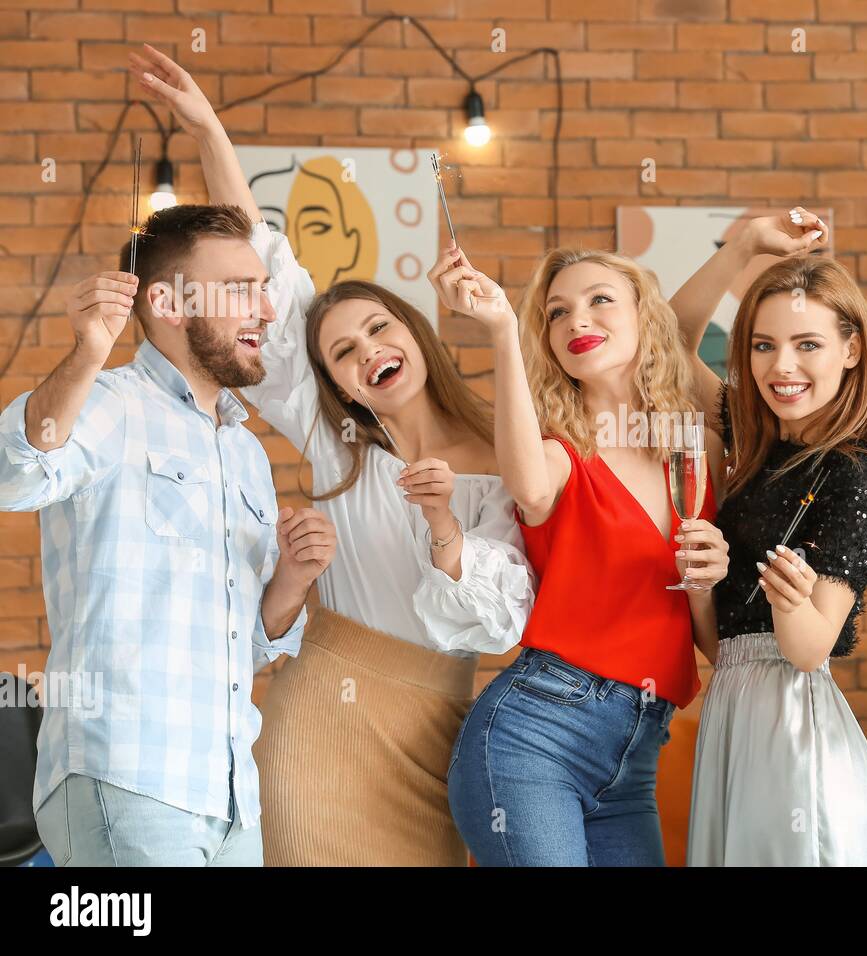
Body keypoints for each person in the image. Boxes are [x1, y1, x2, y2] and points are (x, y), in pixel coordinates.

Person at [131, 43, 534, 866]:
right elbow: (265, 269)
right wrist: (210, 131)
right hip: (323, 717)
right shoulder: (336, 435)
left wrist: (442, 527)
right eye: (342, 352)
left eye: (379, 329)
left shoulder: (505, 455)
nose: (365, 353)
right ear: (338, 387)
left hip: (437, 737)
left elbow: (502, 617)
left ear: (414, 334)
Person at [0, 200, 334, 865]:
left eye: (264, 291)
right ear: (170, 303)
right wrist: (89, 352)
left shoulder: (245, 452)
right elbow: (15, 472)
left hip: (232, 792)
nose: (266, 312)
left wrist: (292, 580)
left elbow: (254, 644)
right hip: (129, 773)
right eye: (242, 290)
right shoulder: (107, 403)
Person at [429, 245, 729, 866]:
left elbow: (713, 646)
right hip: (534, 740)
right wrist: (504, 332)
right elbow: (529, 487)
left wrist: (706, 580)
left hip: (636, 757)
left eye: (600, 301)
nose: (576, 321)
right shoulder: (561, 454)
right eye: (556, 313)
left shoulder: (696, 454)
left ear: (647, 317)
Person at [670, 210, 867, 865]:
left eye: (808, 344)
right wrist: (740, 246)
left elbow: (807, 651)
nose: (783, 367)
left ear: (851, 349)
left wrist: (792, 602)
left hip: (795, 739)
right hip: (733, 717)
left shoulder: (860, 474)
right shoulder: (754, 441)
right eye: (763, 345)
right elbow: (668, 341)